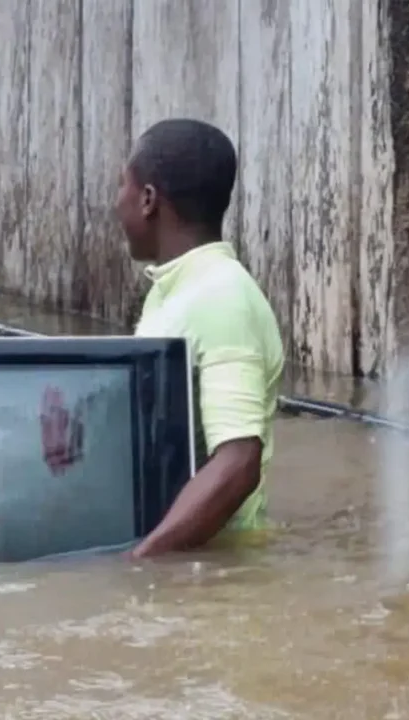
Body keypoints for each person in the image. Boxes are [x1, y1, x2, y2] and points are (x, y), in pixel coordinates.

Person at [114, 119, 284, 558]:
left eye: (122, 187)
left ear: (148, 199)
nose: (117, 204)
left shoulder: (221, 298)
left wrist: (142, 561)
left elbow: (238, 462)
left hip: (214, 570)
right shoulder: (174, 291)